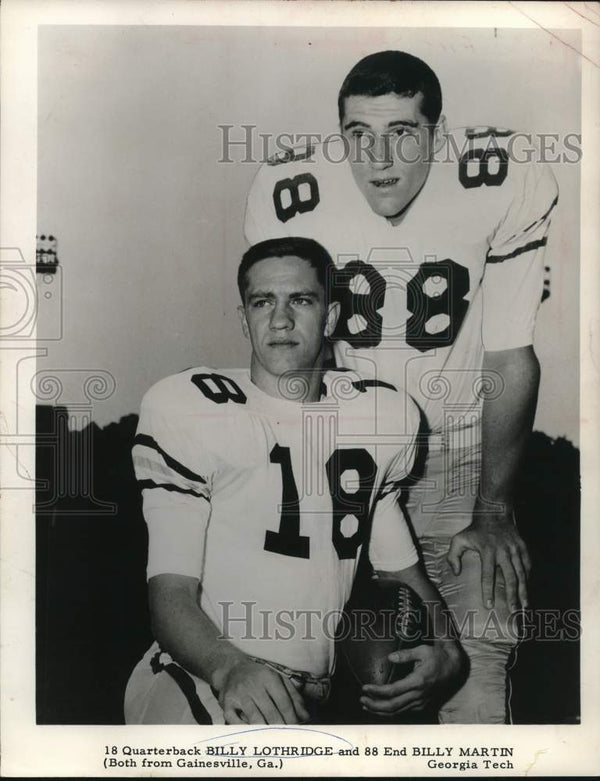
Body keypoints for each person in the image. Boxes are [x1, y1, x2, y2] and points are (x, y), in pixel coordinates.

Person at [244, 50, 559, 723]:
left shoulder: (499, 178)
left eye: (403, 133)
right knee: (320, 679)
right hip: (342, 461)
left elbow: (508, 355)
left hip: (458, 458)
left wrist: (495, 511)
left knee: (476, 679)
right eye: (359, 134)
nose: (378, 157)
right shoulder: (292, 189)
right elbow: (286, 365)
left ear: (438, 134)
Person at [124, 236, 462, 725]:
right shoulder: (192, 408)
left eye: (300, 300)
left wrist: (449, 651)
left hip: (309, 700)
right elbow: (170, 594)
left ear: (330, 317)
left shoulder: (376, 416)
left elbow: (400, 571)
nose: (279, 319)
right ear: (244, 318)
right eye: (262, 302)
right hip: (202, 679)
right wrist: (228, 666)